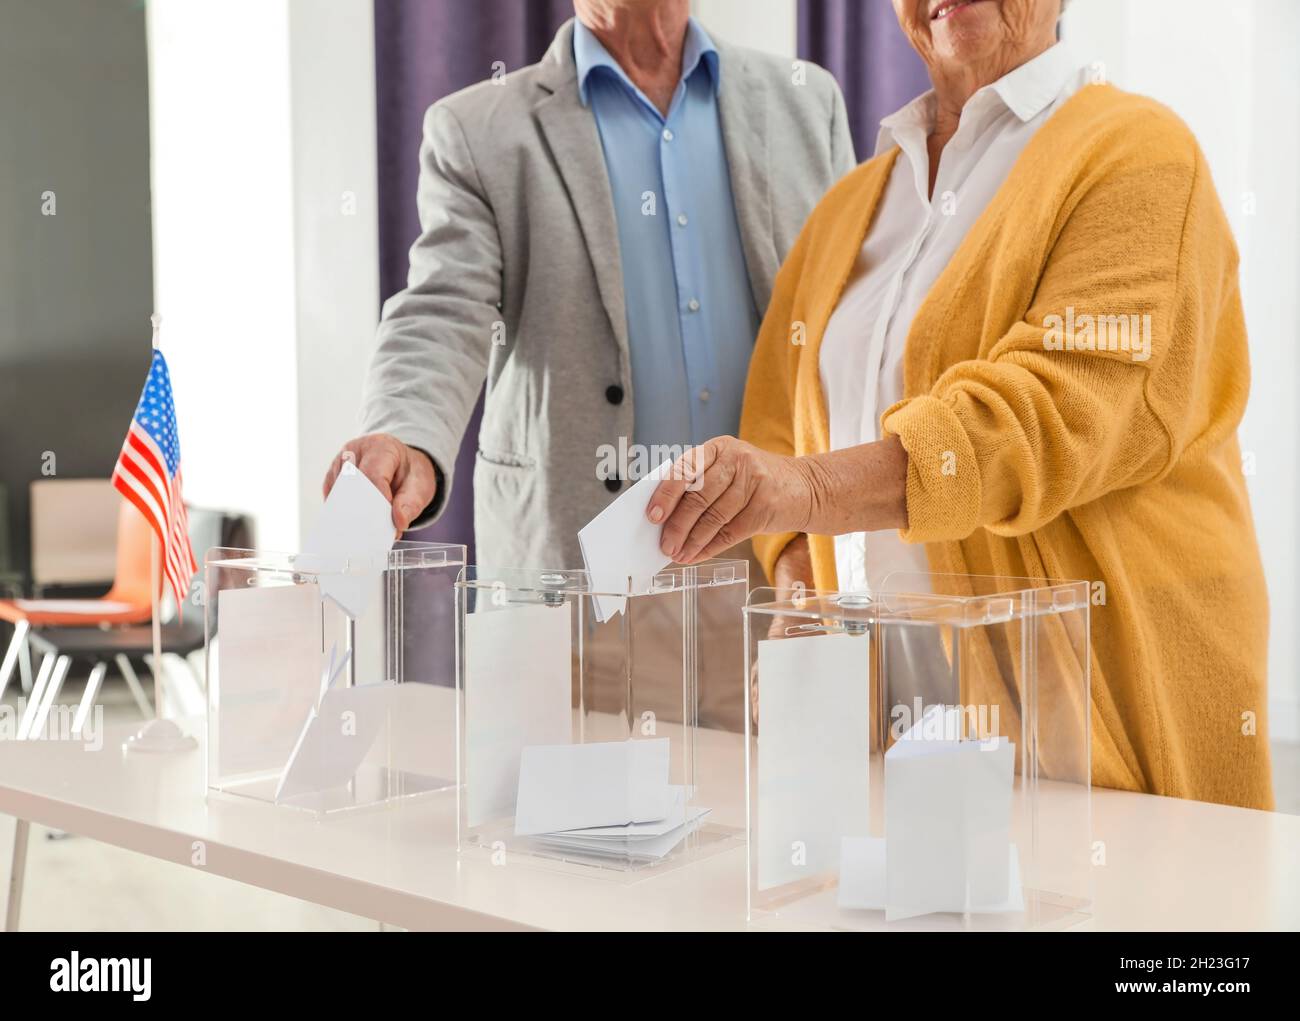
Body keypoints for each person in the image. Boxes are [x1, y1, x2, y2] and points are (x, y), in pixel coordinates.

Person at [647, 0, 1273, 809]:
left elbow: (1047, 412)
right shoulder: (852, 204)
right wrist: (799, 586)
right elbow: (778, 414)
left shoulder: (1143, 155)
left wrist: (803, 485)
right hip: (890, 726)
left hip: (1096, 709)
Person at [326, 0, 853, 574]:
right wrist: (406, 437)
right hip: (570, 571)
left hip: (776, 567)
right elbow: (442, 310)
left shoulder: (807, 101)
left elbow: (851, 316)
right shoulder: (478, 130)